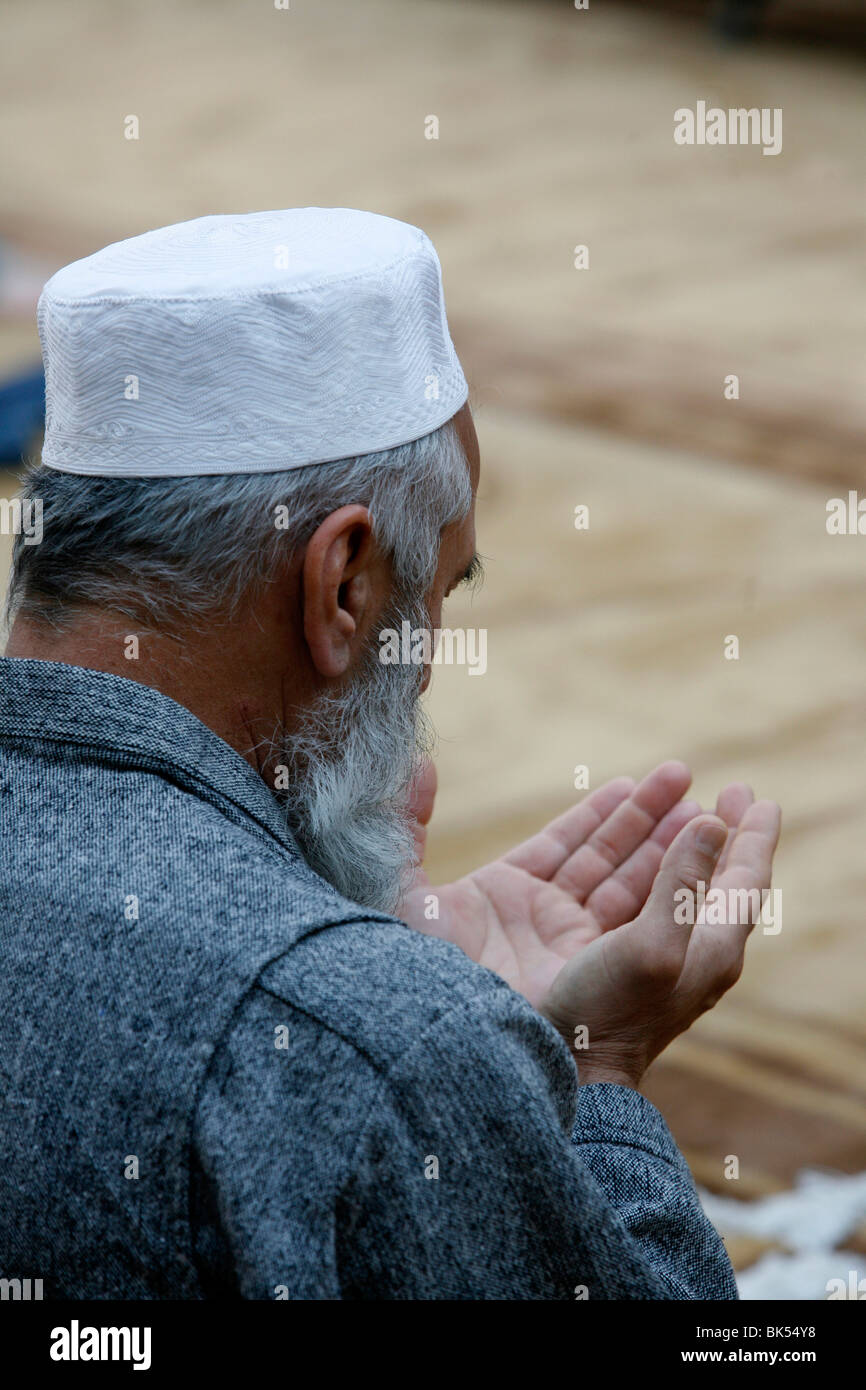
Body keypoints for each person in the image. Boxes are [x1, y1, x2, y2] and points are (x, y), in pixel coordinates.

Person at [0, 208, 779, 1299]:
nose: (422, 667)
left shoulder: (375, 1029)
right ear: (345, 583)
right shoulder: (377, 1051)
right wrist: (589, 1076)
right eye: (441, 590)